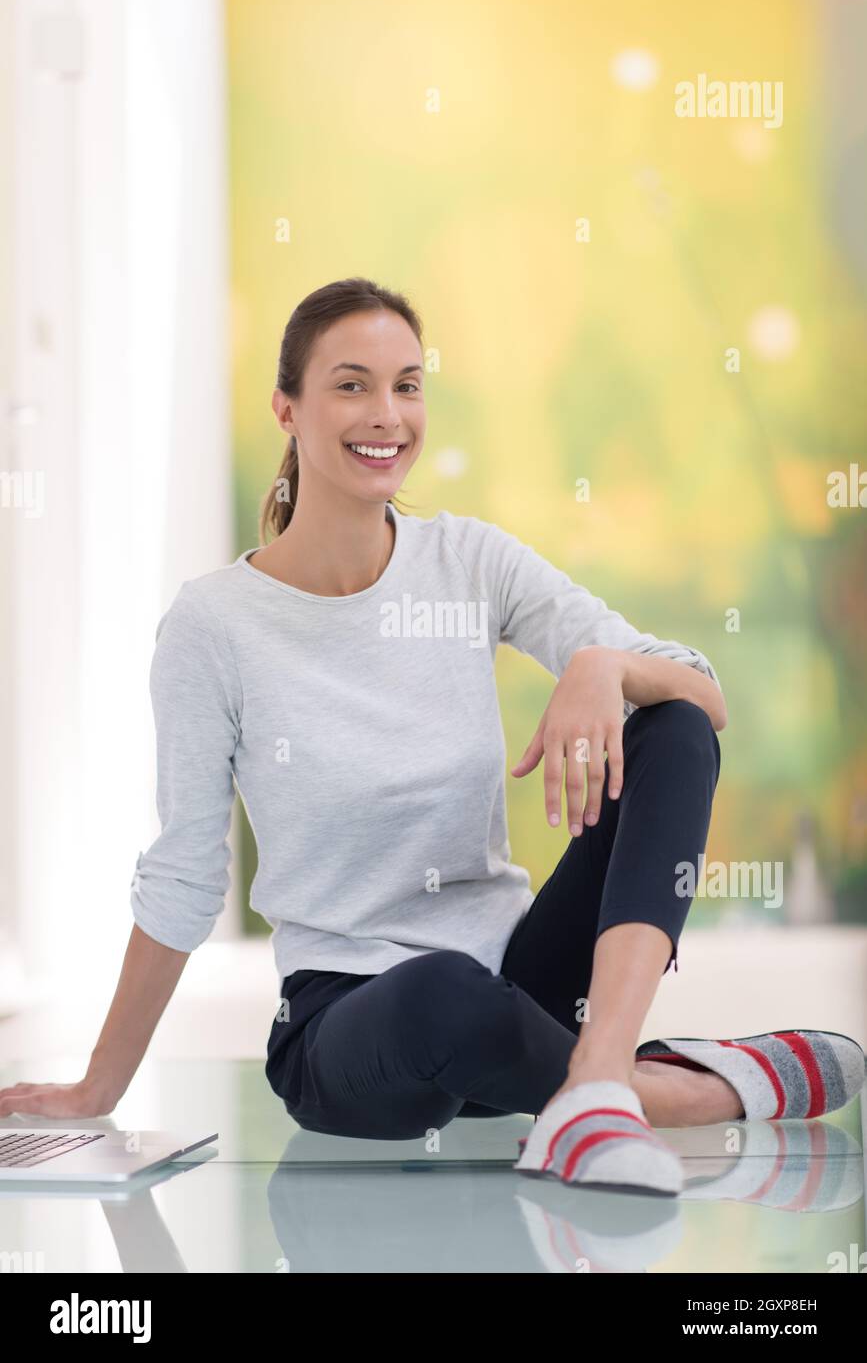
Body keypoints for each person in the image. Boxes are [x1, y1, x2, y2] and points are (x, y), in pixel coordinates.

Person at [3, 278, 860, 1197]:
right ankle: (676, 1092)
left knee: (674, 729)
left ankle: (599, 1077)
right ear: (286, 407)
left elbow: (704, 693)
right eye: (351, 384)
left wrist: (601, 668)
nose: (387, 415)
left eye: (407, 385)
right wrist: (100, 1085)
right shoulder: (213, 626)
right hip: (354, 1027)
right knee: (444, 989)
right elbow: (183, 873)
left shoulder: (468, 561)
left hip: (520, 985)